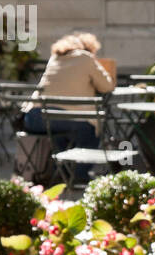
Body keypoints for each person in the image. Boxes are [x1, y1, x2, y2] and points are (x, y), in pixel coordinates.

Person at [21, 32, 114, 182]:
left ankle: (63, 173)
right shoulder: (86, 57)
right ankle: (78, 175)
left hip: (34, 117)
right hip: (61, 116)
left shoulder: (55, 58)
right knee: (91, 130)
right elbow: (107, 86)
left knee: (63, 132)